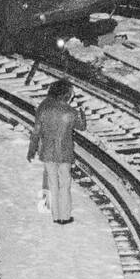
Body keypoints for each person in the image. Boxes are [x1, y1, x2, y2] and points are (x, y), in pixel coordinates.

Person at [27, 79, 87, 225]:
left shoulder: (43, 108)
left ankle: (55, 216)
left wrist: (32, 149)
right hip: (65, 153)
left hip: (47, 152)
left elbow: (36, 132)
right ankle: (65, 217)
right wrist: (82, 113)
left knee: (53, 184)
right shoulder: (70, 111)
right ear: (66, 94)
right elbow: (82, 127)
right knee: (65, 185)